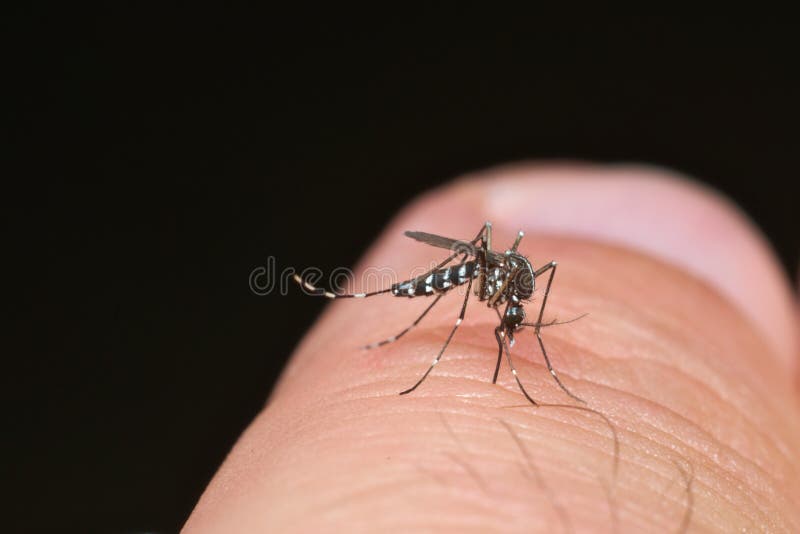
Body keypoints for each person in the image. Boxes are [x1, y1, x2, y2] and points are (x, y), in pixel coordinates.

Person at [184, 164, 800, 532]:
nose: (511, 322)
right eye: (513, 317)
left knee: (503, 263)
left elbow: (529, 279)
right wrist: (444, 329)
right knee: (462, 276)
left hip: (491, 270)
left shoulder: (524, 286)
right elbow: (491, 269)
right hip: (464, 270)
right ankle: (406, 333)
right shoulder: (503, 281)